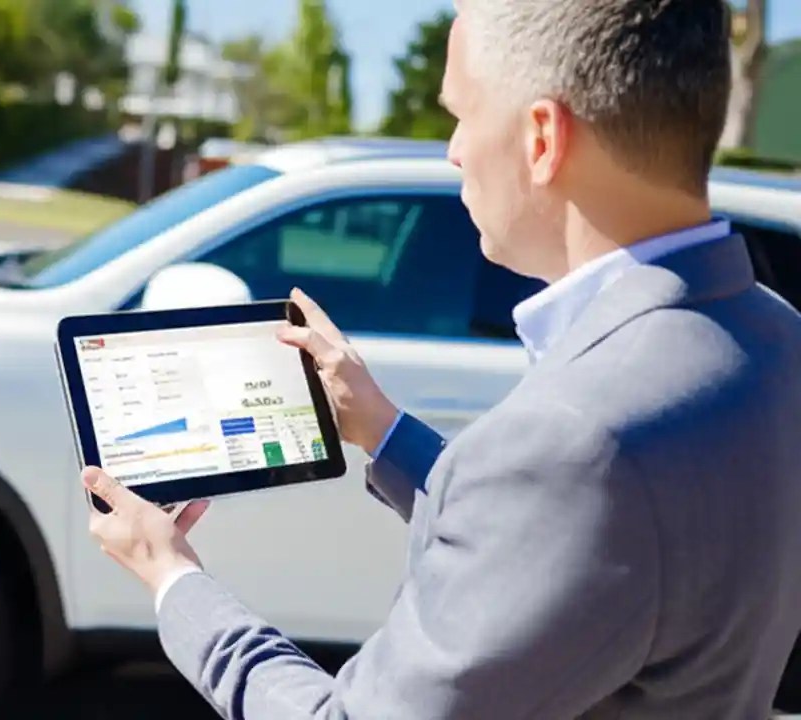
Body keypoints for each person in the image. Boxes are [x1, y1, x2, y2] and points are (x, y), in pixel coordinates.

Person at [80, 0, 801, 717]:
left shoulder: (578, 440)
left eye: (461, 114)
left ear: (541, 138)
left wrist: (172, 578)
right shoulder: (777, 339)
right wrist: (386, 432)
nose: (453, 150)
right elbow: (579, 549)